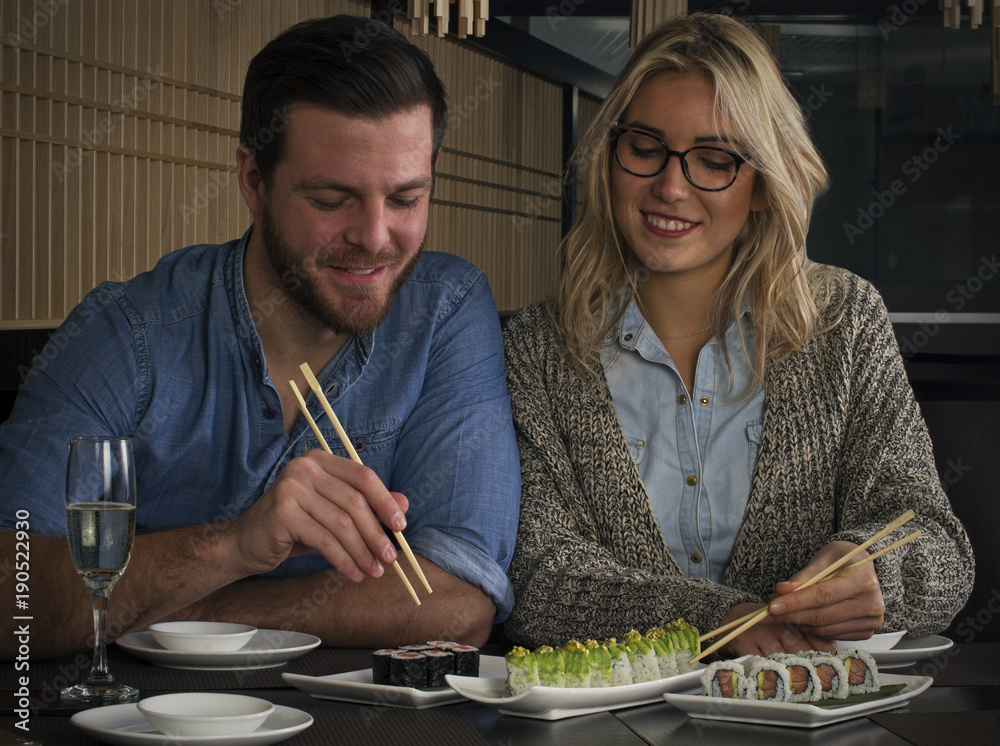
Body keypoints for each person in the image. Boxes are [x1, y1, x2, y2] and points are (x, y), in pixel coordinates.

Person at [0, 14, 520, 660]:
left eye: (408, 198)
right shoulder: (131, 335)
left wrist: (174, 613)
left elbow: (459, 602)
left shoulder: (445, 312)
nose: (377, 237)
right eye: (333, 200)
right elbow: (9, 591)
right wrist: (233, 546)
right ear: (253, 180)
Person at [502, 12, 974, 656]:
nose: (671, 187)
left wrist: (879, 574)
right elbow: (537, 581)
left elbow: (939, 548)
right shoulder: (534, 349)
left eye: (715, 160)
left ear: (761, 184)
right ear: (608, 158)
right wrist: (725, 619)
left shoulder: (844, 320)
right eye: (645, 148)